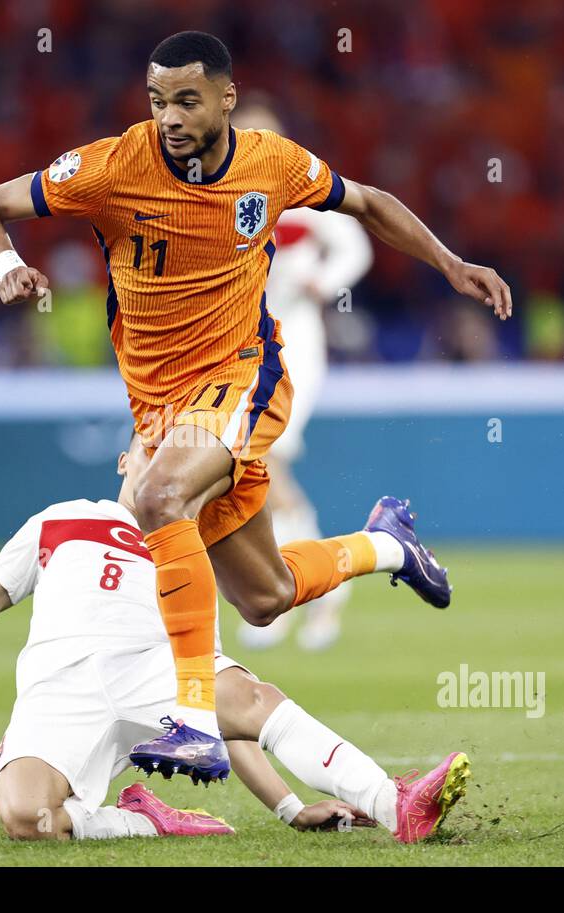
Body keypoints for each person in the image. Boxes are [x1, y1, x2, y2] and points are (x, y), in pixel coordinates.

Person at [0, 31, 509, 779]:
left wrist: (449, 262)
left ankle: (191, 719)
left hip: (244, 372)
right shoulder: (112, 165)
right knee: (264, 597)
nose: (170, 117)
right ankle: (388, 546)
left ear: (227, 98)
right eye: (157, 101)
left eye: (186, 100)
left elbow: (369, 204)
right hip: (158, 404)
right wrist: (8, 265)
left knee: (155, 497)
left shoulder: (270, 164)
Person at [0, 435, 472, 843]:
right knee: (28, 821)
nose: (164, 463)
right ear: (125, 459)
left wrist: (288, 809)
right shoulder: (58, 520)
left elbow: (215, 714)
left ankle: (395, 804)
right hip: (60, 690)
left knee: (254, 697)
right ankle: (143, 820)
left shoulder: (190, 544)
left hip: (153, 671)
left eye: (177, 450)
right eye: (152, 444)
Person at [230, 98, 374, 652]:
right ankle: (300, 593)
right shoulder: (225, 200)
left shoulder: (303, 194)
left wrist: (324, 281)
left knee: (261, 463)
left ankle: (302, 592)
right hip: (244, 347)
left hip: (297, 344)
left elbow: (355, 247)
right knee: (252, 473)